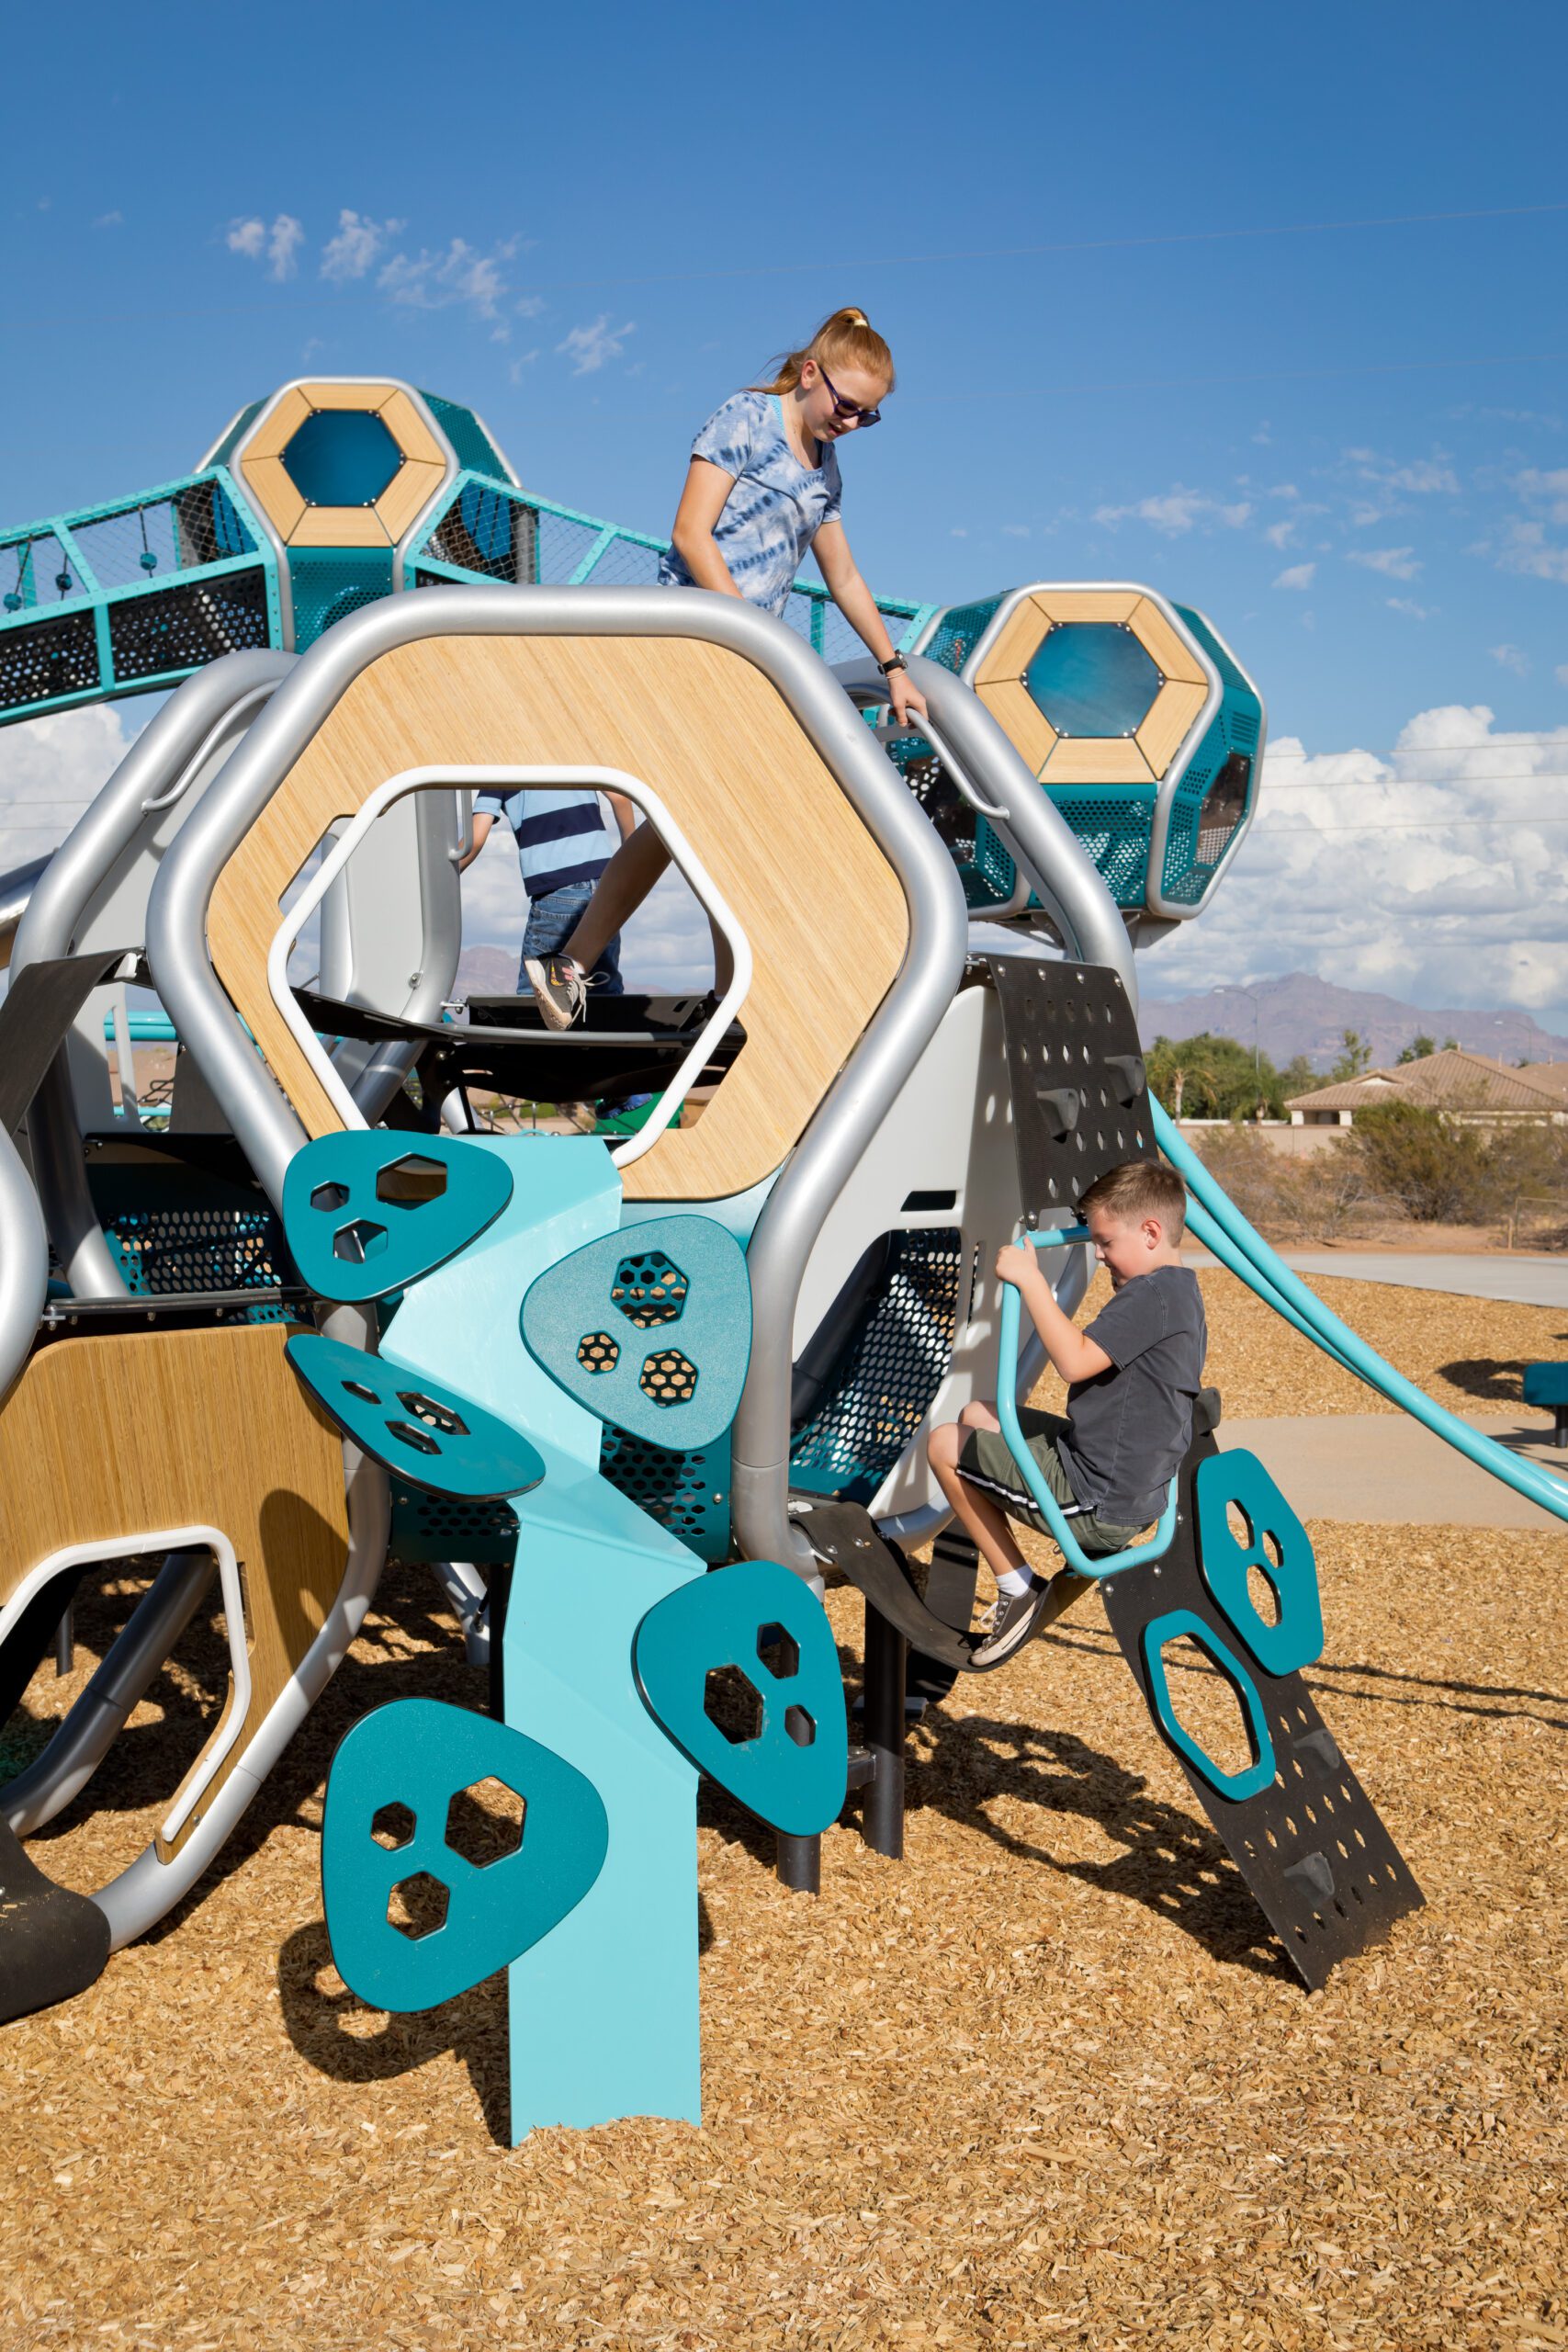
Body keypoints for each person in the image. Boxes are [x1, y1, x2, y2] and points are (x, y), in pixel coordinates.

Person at [525, 306, 928, 1029]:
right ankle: (708, 990)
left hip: (746, 664)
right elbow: (690, 532)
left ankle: (635, 977)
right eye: (846, 407)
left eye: (868, 418)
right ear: (810, 374)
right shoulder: (745, 418)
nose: (851, 424)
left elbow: (843, 577)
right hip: (694, 644)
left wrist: (893, 664)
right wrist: (747, 630)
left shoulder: (825, 469)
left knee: (699, 825)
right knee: (711, 824)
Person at [927, 1159, 1207, 1664]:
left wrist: (1030, 1281)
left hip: (1099, 1498)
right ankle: (1003, 1537)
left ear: (1149, 1232)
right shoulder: (1179, 1288)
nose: (1099, 1257)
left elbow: (1074, 1362)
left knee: (945, 1445)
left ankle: (1017, 1587)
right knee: (978, 1414)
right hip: (1115, 1469)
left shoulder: (1152, 1296)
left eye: (1105, 1243)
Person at [459, 783, 636, 998]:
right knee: (603, 991)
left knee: (536, 997)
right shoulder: (573, 753)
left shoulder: (501, 770)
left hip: (557, 889)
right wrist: (631, 858)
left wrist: (441, 878)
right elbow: (620, 798)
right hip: (604, 886)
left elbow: (475, 840)